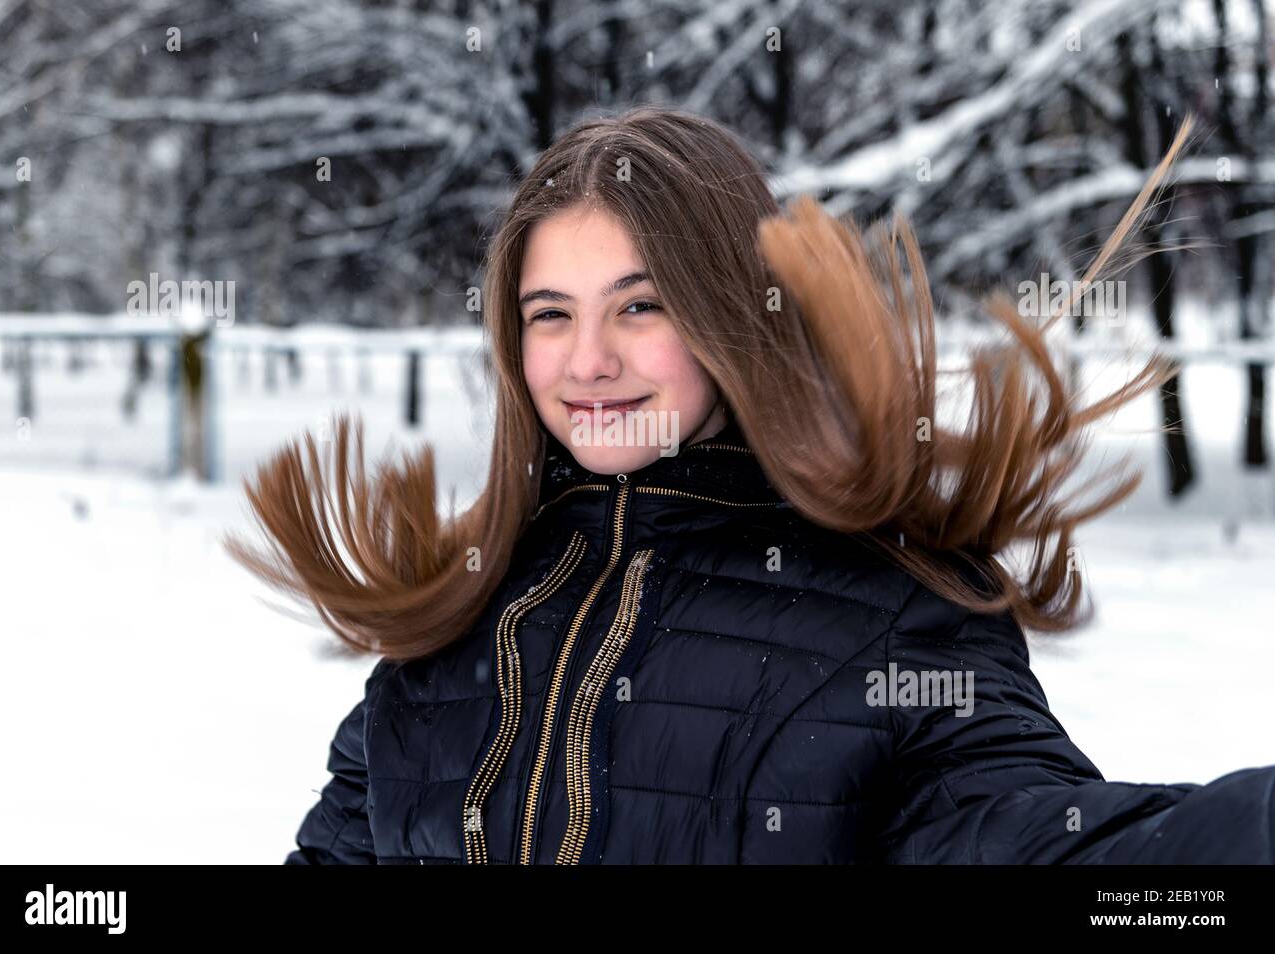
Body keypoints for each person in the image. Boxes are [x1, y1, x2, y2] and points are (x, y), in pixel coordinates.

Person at [226, 104, 1275, 864]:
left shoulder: (888, 614)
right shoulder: (456, 617)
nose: (586, 360)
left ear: (735, 316)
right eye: (550, 314)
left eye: (640, 307)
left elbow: (1042, 848)